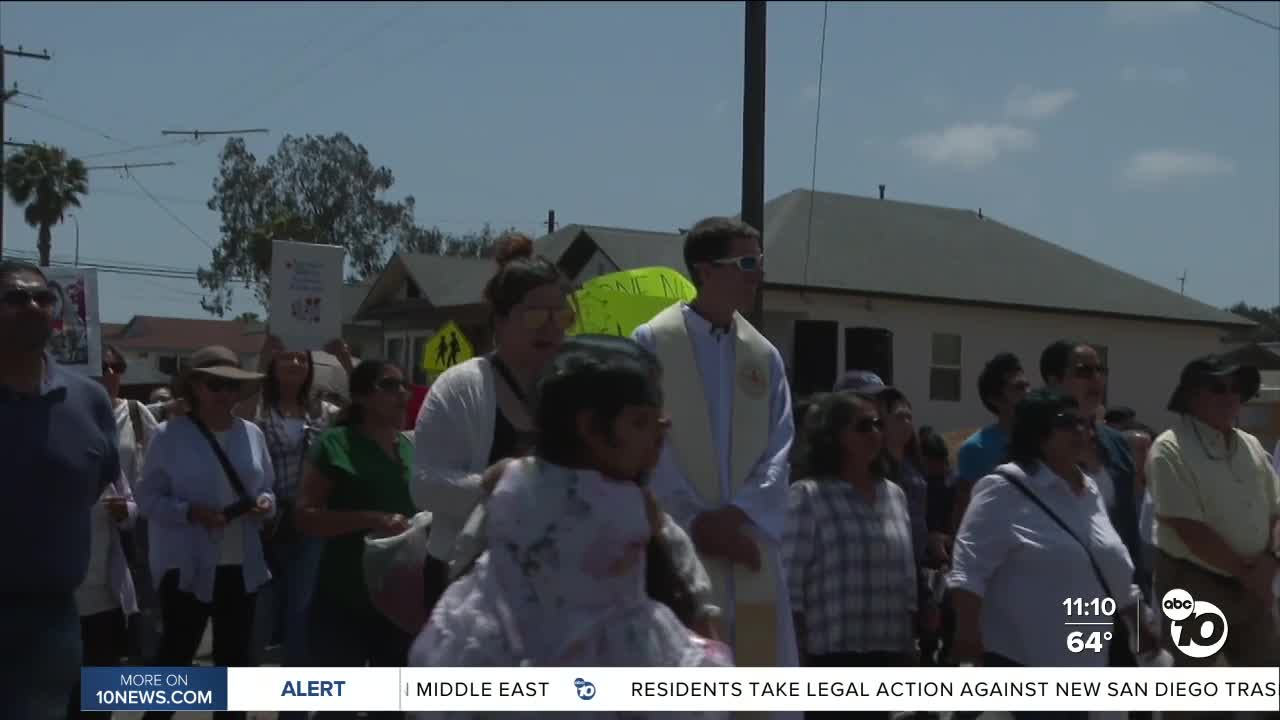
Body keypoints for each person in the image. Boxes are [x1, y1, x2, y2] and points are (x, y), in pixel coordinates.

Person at [410, 336, 732, 707]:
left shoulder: (646, 524)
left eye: (658, 421)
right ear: (590, 427)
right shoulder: (516, 511)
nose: (660, 435)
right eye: (641, 422)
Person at [633, 216, 799, 677]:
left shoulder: (763, 355)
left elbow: (779, 446)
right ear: (705, 270)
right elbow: (644, 440)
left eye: (759, 261)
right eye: (746, 263)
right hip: (678, 542)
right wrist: (694, 520)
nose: (758, 274)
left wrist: (741, 513)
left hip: (748, 543)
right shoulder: (652, 343)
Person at [948, 390, 1158, 706]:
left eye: (1085, 423)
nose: (1081, 431)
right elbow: (968, 571)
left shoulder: (1090, 491)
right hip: (1024, 667)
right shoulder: (1003, 488)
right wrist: (967, 640)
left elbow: (1116, 575)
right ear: (1037, 431)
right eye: (1066, 422)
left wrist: (1142, 629)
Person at [413, 233, 573, 611]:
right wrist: (501, 485)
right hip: (466, 578)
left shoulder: (576, 389)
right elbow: (424, 485)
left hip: (553, 582)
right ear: (500, 321)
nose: (552, 326)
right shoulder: (461, 386)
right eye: (536, 314)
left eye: (562, 314)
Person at [1, 260, 120, 720]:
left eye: (43, 298)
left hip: (49, 621)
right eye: (16, 297)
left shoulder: (89, 400)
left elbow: (88, 485)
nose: (33, 306)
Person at [137, 346, 276, 720]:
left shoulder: (252, 434)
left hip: (241, 564)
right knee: (175, 659)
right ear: (195, 387)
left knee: (234, 664)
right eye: (215, 385)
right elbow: (147, 499)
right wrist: (190, 512)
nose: (225, 394)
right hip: (187, 565)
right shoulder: (168, 436)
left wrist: (265, 504)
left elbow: (267, 488)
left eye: (232, 385)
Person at [784, 392, 917, 717]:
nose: (875, 433)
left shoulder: (895, 496)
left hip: (887, 658)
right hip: (830, 662)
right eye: (864, 426)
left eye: (878, 424)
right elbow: (790, 589)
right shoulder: (808, 496)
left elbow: (906, 579)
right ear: (834, 435)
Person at [1148, 355, 1280, 675]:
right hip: (1196, 583)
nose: (1230, 396)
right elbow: (1188, 528)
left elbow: (1277, 511)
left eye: (1236, 388)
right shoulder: (1169, 449)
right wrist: (1250, 574)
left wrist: (1271, 560)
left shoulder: (1251, 445)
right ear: (1192, 395)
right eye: (1218, 388)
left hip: (1255, 582)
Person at [297, 359, 418, 693]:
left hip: (400, 602)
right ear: (361, 397)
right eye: (389, 385)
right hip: (343, 597)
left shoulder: (410, 448)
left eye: (404, 385)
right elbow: (305, 516)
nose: (402, 393)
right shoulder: (335, 444)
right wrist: (373, 519)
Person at [240, 337, 340, 678]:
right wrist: (260, 360)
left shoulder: (322, 412)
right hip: (267, 520)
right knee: (262, 607)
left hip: (310, 521)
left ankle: (294, 693)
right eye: (287, 358)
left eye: (302, 359)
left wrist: (344, 360)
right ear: (273, 366)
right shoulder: (260, 411)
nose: (295, 364)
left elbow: (359, 412)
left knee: (301, 608)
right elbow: (239, 417)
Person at [1040, 340, 1145, 597]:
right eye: (1084, 371)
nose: (1096, 379)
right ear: (1054, 381)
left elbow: (1129, 524)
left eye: (1100, 370)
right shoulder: (1038, 444)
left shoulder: (1118, 444)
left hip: (1117, 590)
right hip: (1057, 589)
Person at [953, 352, 1029, 532]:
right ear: (995, 399)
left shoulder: (1047, 441)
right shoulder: (976, 449)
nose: (1028, 394)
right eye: (1019, 388)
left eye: (1027, 386)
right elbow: (964, 515)